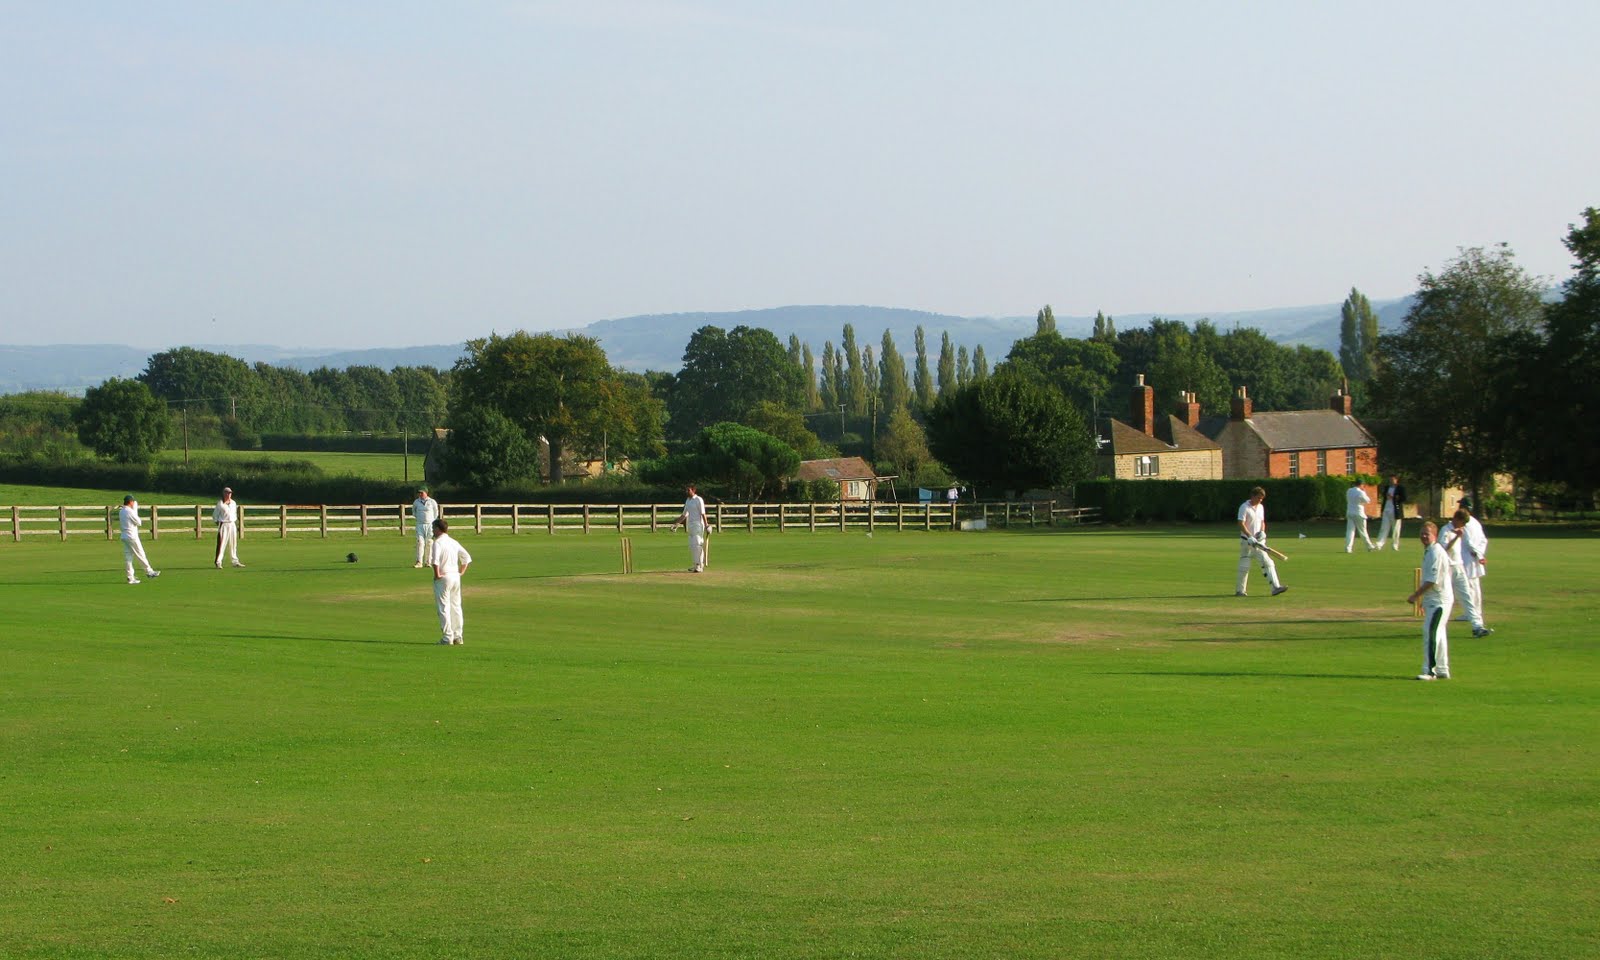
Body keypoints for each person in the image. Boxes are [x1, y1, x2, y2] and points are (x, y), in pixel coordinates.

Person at [1406, 521, 1453, 680]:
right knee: (1439, 633)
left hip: (1439, 600)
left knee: (1430, 633)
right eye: (1422, 533)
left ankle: (1429, 671)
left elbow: (1432, 581)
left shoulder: (1435, 552)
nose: (1424, 536)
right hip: (1434, 599)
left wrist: (1415, 596)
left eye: (1427, 533)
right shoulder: (1429, 551)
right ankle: (1442, 669)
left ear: (1435, 535)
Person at [1445, 506, 1493, 637]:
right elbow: (1484, 540)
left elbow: (1470, 542)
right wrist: (1480, 554)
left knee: (1470, 590)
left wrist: (1479, 555)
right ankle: (1474, 615)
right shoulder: (1473, 523)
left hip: (1465, 560)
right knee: (1471, 588)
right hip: (1461, 561)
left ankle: (1475, 619)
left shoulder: (1467, 524)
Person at [1236, 486, 1288, 597]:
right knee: (1245, 565)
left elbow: (1262, 521)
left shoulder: (1261, 507)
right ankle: (1241, 591)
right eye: (1259, 498)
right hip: (1247, 541)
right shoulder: (1244, 507)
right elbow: (1241, 523)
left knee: (1266, 562)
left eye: (1262, 499)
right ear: (1253, 496)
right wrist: (1249, 536)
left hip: (1259, 542)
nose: (1260, 500)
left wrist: (1263, 531)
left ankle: (1275, 587)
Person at [430, 517, 472, 645]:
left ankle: (447, 637)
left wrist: (437, 574)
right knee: (456, 606)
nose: (433, 531)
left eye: (433, 528)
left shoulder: (437, 542)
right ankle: (458, 636)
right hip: (455, 577)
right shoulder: (454, 542)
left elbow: (435, 561)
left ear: (437, 529)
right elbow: (466, 558)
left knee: (443, 607)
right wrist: (461, 572)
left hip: (444, 577)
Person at [118, 495, 161, 585]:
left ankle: (130, 578)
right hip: (131, 536)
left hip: (124, 536)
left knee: (128, 558)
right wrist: (135, 510)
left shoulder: (122, 511)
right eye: (133, 502)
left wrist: (134, 509)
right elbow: (139, 522)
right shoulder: (129, 511)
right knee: (140, 553)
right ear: (130, 502)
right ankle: (149, 572)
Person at [671, 483, 709, 573]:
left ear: (693, 490)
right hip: (691, 525)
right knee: (692, 546)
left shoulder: (699, 500)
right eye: (686, 490)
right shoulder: (688, 500)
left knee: (697, 544)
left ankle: (700, 565)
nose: (686, 491)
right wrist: (676, 524)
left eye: (688, 490)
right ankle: (696, 564)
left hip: (698, 524)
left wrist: (707, 525)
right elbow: (684, 514)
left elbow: (703, 513)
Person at [212, 486, 244, 568]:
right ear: (224, 493)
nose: (229, 494)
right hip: (224, 524)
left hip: (232, 524)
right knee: (221, 544)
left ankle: (235, 561)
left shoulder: (233, 503)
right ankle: (218, 562)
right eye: (227, 493)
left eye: (230, 493)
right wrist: (218, 523)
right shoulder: (220, 504)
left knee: (233, 543)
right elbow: (215, 515)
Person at [1373, 475, 1407, 550]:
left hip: (1395, 510)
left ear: (1396, 480)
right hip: (1387, 509)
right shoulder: (1387, 488)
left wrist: (1394, 497)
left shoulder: (1400, 488)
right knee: (1384, 527)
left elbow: (1403, 498)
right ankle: (1379, 544)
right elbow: (1384, 498)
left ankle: (1395, 545)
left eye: (1393, 479)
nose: (1391, 481)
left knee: (1396, 529)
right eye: (1390, 480)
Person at [412, 487, 439, 569]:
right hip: (420, 525)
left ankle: (428, 562)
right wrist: (420, 519)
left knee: (429, 543)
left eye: (421, 493)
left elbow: (436, 512)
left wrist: (431, 521)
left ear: (426, 493)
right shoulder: (416, 502)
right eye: (419, 493)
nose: (420, 494)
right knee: (420, 542)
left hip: (430, 525)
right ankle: (419, 562)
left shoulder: (432, 501)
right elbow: (414, 512)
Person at [1344, 481, 1375, 552]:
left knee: (1350, 531)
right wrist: (1363, 496)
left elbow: (1348, 499)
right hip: (1359, 513)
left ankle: (1348, 548)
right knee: (1363, 530)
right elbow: (1368, 500)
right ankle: (1369, 546)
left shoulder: (1349, 490)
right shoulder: (1361, 492)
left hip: (1350, 512)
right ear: (1361, 485)